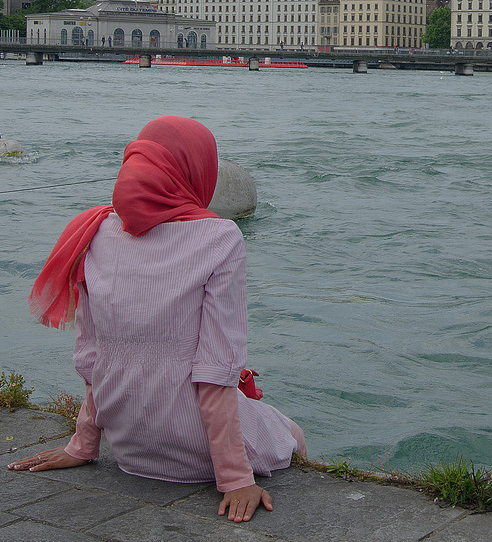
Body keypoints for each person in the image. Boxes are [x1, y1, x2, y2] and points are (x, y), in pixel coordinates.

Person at [8, 116, 306, 523]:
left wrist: (81, 445)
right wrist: (236, 479)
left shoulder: (94, 231)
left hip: (127, 442)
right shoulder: (221, 238)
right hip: (197, 450)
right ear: (198, 170)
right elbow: (217, 369)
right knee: (290, 432)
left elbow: (92, 357)